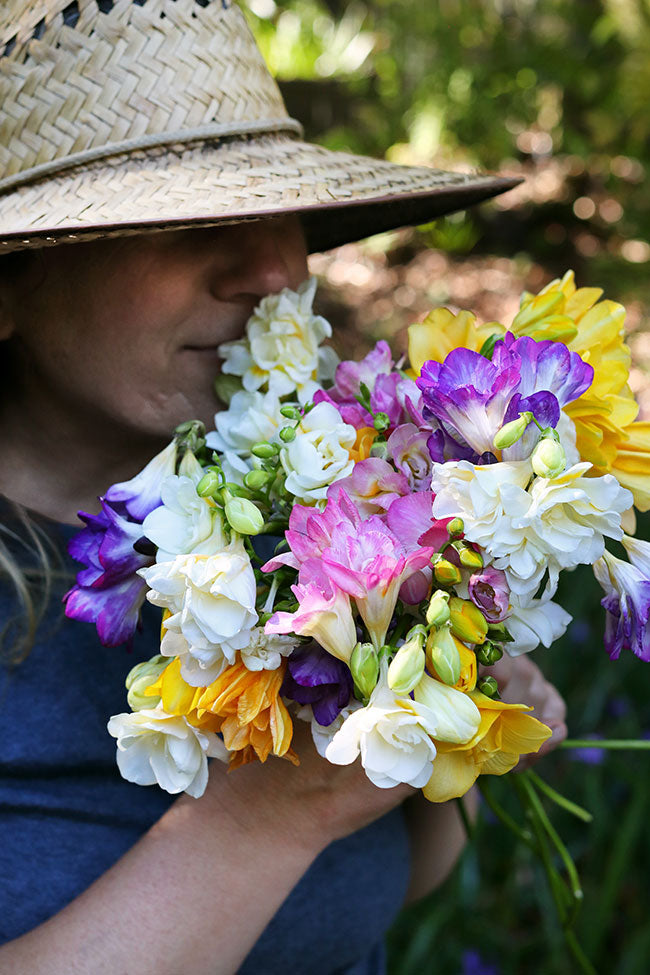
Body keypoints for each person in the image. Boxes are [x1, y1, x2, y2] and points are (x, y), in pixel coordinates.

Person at [0, 2, 567, 973]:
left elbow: (359, 889)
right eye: (190, 224)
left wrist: (444, 748)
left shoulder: (300, 518)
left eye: (284, 218)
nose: (274, 270)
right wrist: (264, 822)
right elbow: (281, 841)